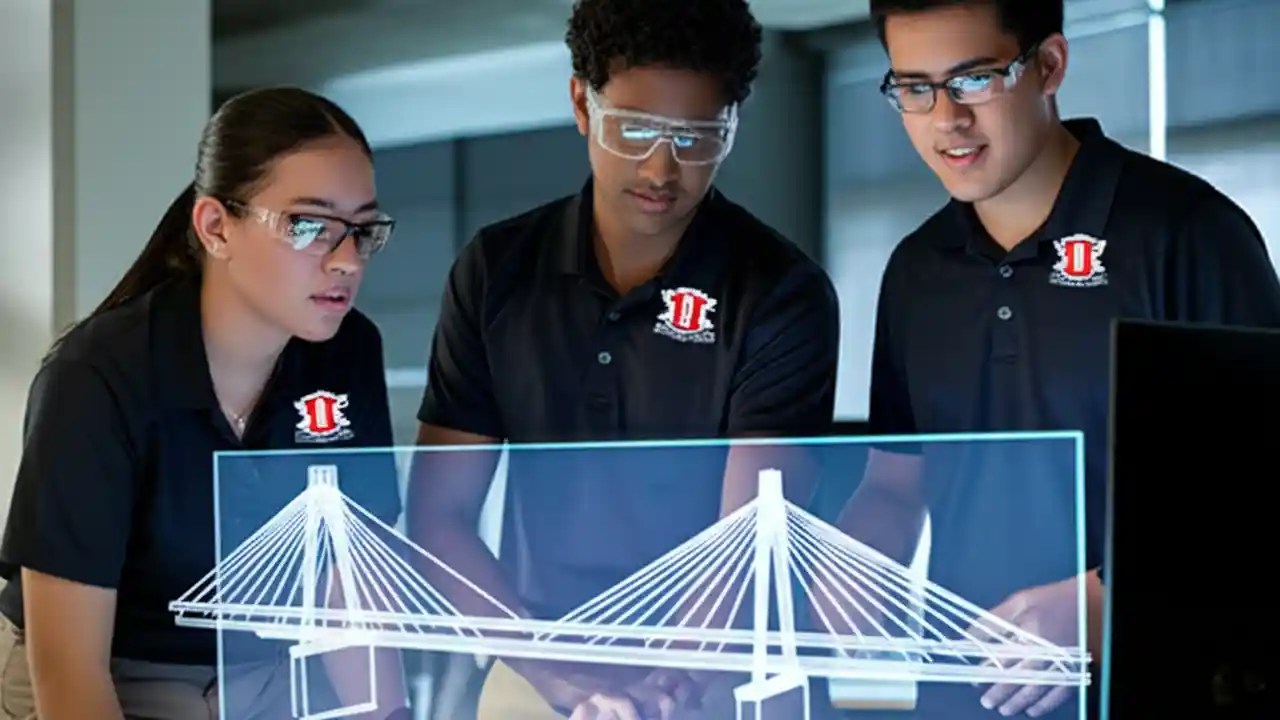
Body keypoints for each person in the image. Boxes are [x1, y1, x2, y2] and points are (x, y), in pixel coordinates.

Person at [834, 1, 1280, 719]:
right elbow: (894, 484)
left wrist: (1102, 602)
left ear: (1049, 65)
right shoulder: (916, 270)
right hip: (965, 693)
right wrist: (849, 573)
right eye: (915, 88)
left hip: (1162, 687)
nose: (946, 119)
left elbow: (1254, 490)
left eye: (974, 79)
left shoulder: (1189, 234)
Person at [405, 1, 841, 718]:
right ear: (583, 103)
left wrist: (669, 686)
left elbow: (754, 537)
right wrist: (556, 674)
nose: (662, 169)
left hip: (721, 673)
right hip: (538, 658)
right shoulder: (498, 269)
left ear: (733, 122)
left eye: (697, 137)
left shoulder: (780, 291)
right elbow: (439, 515)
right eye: (634, 129)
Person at [0, 87, 411, 720]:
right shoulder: (99, 377)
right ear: (216, 227)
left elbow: (346, 584)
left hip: (263, 670)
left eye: (362, 230)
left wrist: (386, 713)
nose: (347, 261)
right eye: (309, 225)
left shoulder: (347, 352)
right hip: (111, 671)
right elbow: (69, 670)